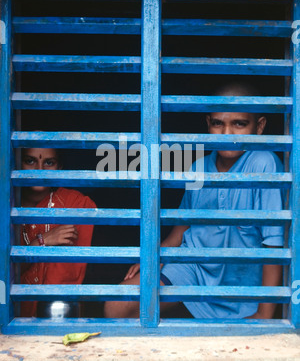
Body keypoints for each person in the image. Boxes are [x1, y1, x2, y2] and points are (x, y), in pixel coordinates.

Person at [104, 83, 285, 320]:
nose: (227, 133)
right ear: (207, 123)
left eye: (239, 124)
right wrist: (153, 261)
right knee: (118, 305)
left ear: (259, 126)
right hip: (193, 268)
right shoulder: (198, 167)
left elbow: (273, 246)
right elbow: (181, 231)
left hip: (241, 280)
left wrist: (265, 314)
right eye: (218, 123)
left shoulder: (263, 163)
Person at [20, 146, 96, 317]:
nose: (39, 170)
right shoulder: (5, 205)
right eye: (30, 161)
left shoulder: (76, 205)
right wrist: (41, 242)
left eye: (49, 162)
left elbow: (67, 278)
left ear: (59, 168)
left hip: (55, 315)